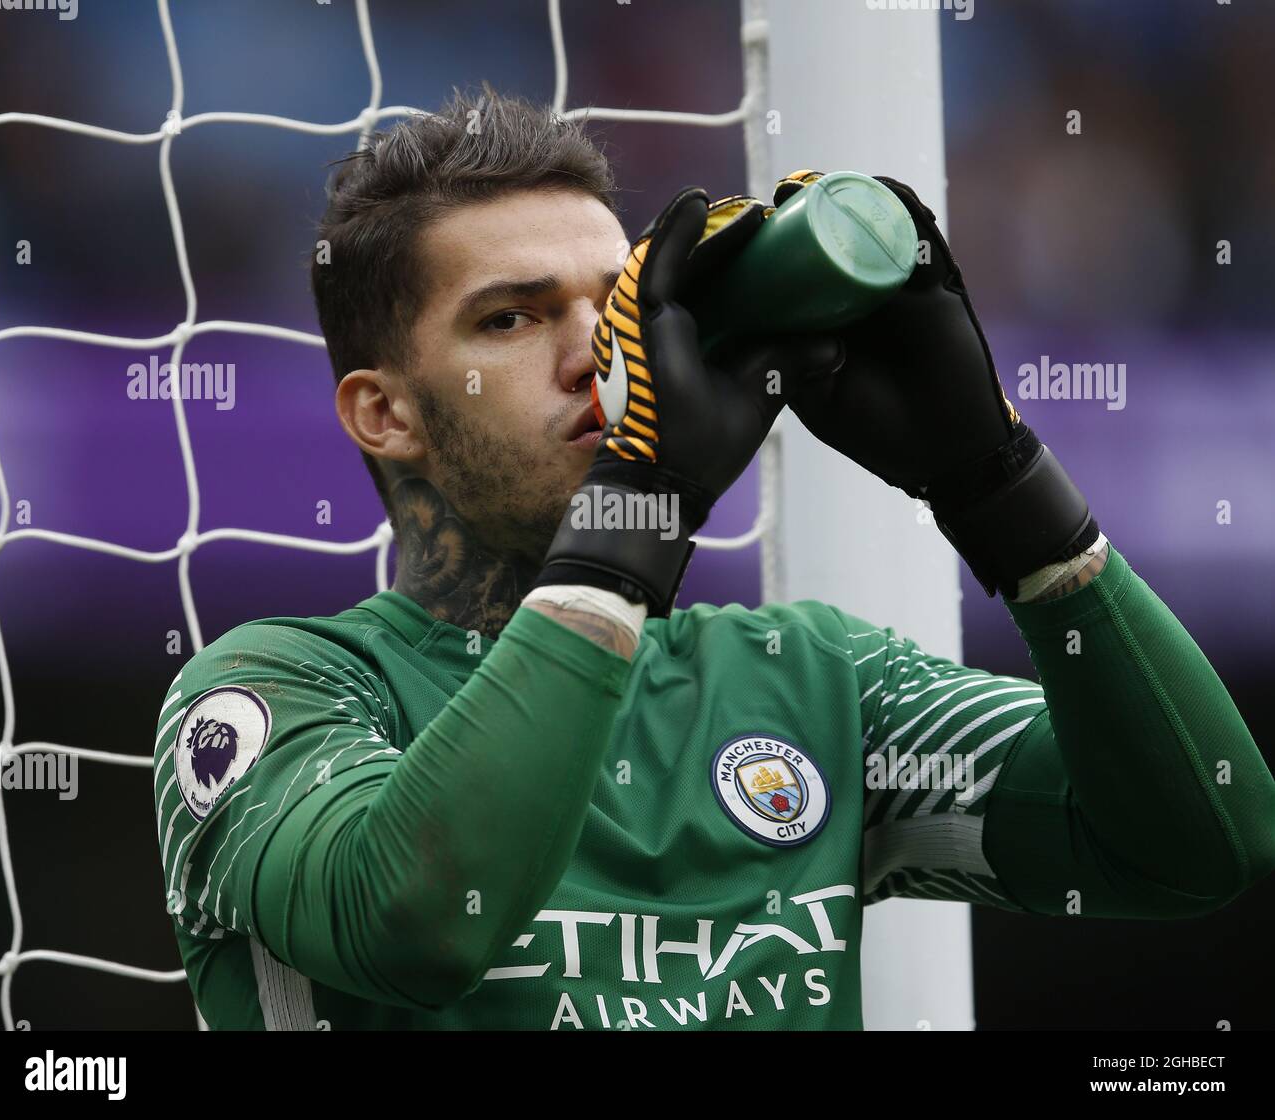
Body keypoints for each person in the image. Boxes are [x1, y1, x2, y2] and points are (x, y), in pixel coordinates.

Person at [151, 86, 1275, 1030]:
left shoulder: (815, 685)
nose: (599, 352)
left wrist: (1003, 489)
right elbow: (425, 917)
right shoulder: (278, 689)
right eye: (512, 319)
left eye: (618, 301)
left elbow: (1203, 840)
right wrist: (638, 507)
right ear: (383, 413)